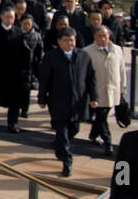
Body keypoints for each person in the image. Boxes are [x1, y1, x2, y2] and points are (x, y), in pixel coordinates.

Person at [38, 27, 98, 176]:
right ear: (59, 42)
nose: (69, 43)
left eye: (71, 40)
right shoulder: (51, 56)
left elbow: (91, 78)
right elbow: (45, 78)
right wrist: (42, 98)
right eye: (65, 40)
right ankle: (67, 160)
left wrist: (94, 97)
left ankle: (60, 147)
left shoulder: (84, 56)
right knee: (62, 131)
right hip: (58, 101)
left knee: (74, 129)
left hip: (78, 102)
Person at [85, 26, 126, 157]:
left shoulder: (117, 49)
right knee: (102, 117)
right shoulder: (88, 51)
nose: (103, 39)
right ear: (94, 37)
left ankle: (93, 133)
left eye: (105, 36)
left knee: (102, 115)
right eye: (99, 36)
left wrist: (122, 88)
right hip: (97, 91)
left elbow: (122, 70)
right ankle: (108, 142)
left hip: (113, 90)